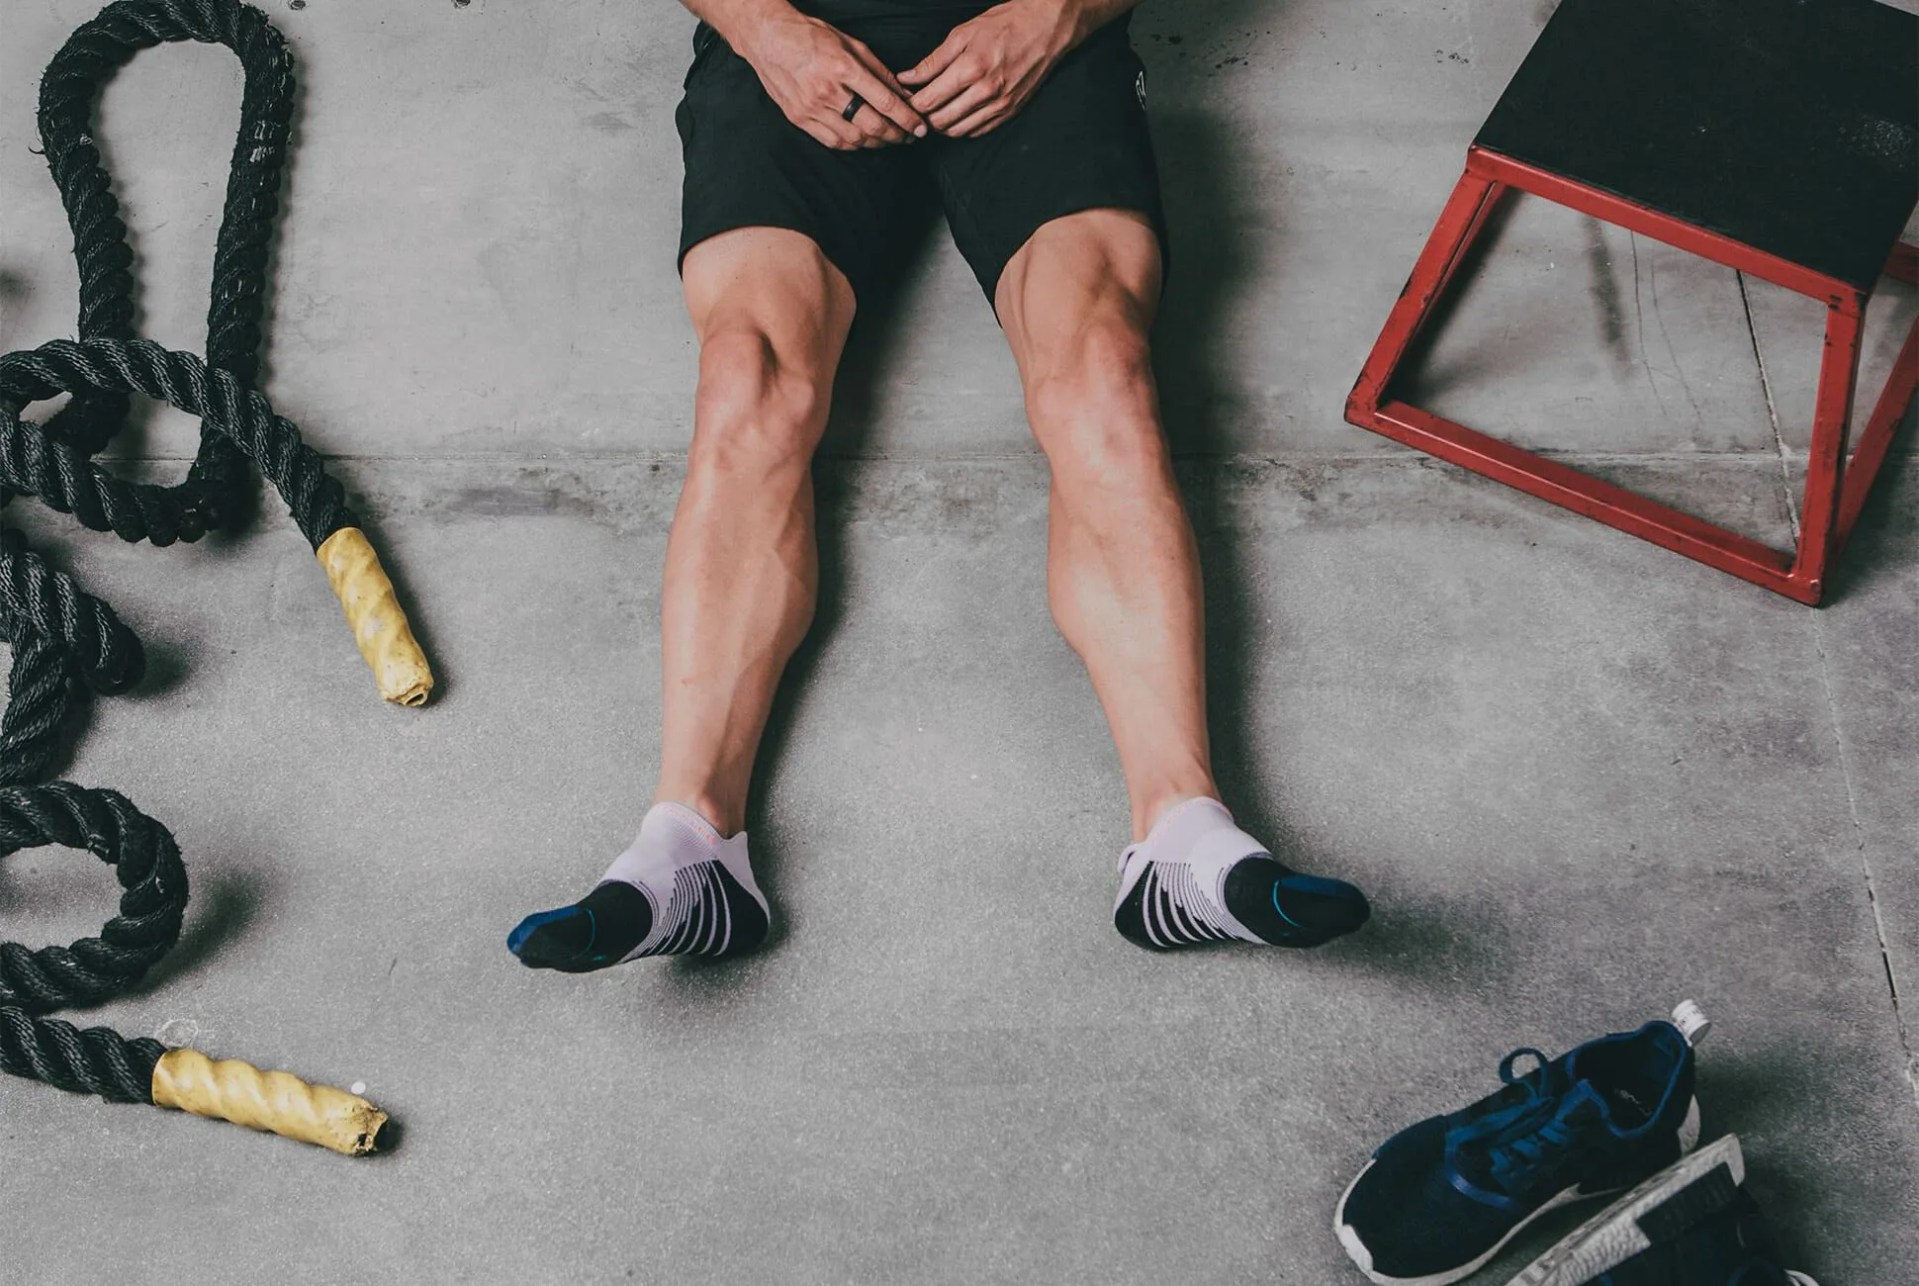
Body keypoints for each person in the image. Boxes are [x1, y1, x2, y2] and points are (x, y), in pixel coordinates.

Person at [508, 0, 1372, 970]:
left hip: (1032, 36)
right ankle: (690, 848)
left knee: (1101, 372)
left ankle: (1181, 839)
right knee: (747, 378)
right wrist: (763, 33)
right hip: (795, 41)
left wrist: (1054, 19)